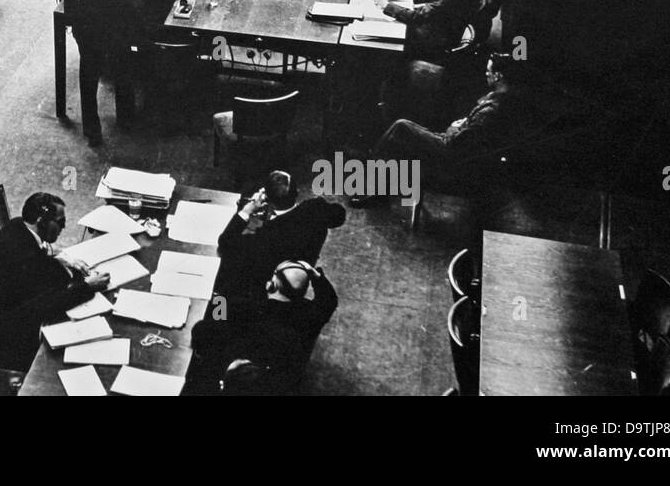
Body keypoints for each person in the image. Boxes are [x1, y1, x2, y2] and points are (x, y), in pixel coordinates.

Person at [352, 54, 519, 206]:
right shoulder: (504, 100)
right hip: (458, 147)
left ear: (498, 76)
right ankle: (377, 179)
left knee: (401, 127)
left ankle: (374, 186)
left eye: (489, 71)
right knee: (401, 130)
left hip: (452, 158)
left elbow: (457, 146)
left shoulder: (489, 112)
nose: (486, 74)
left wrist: (454, 127)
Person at [0, 191, 111, 371]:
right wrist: (87, 287)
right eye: (60, 222)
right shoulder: (22, 258)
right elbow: (44, 304)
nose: (64, 227)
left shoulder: (17, 226)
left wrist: (58, 258)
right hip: (4, 337)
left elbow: (37, 261)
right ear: (41, 221)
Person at [193, 259, 338, 394]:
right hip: (275, 380)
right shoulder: (309, 316)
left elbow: (206, 328)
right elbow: (329, 301)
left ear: (271, 285)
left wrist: (220, 297)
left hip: (234, 376)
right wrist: (315, 275)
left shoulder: (245, 309)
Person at [67, 0, 150, 145]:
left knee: (88, 77)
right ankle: (126, 119)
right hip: (115, 31)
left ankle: (92, 132)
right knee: (123, 71)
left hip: (87, 31)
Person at [214, 170, 346, 302]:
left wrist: (246, 210)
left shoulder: (264, 238)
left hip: (271, 286)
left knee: (225, 281)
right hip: (297, 278)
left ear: (267, 199)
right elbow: (339, 214)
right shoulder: (316, 208)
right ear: (297, 192)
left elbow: (225, 242)